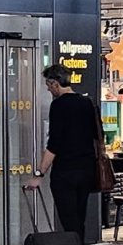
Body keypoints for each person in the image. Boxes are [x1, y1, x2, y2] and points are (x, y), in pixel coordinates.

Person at [24, 64, 101, 236]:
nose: (48, 89)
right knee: (79, 219)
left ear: (55, 83)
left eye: (48, 85)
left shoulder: (58, 105)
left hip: (65, 173)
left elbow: (54, 145)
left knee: (69, 221)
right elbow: (98, 135)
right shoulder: (87, 103)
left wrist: (38, 175)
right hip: (87, 171)